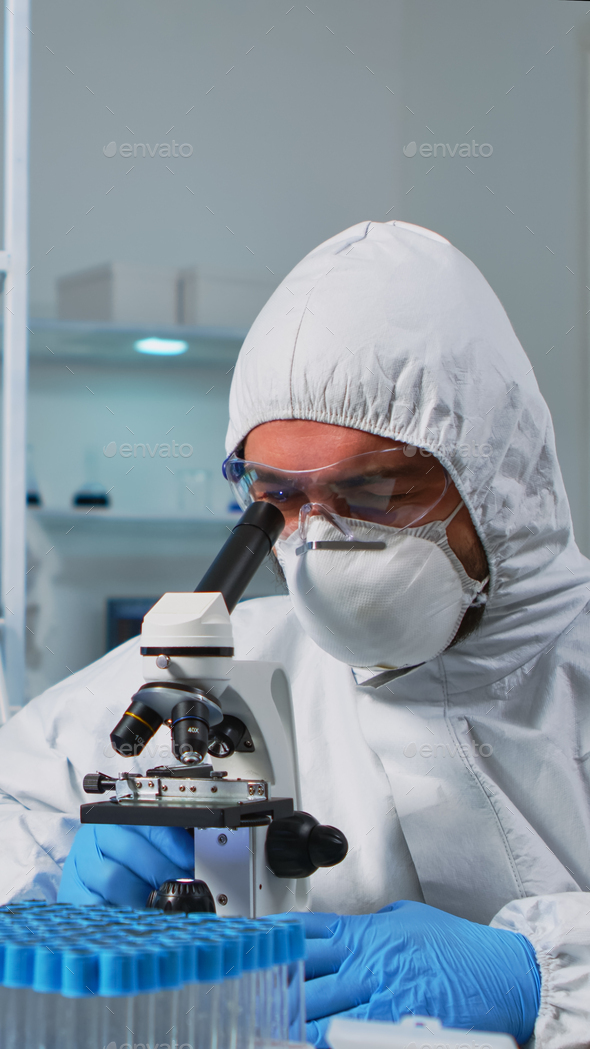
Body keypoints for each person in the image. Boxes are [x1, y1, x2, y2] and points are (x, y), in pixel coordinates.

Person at [0, 220, 589, 1047]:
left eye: (373, 491)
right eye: (280, 496)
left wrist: (547, 977)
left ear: (494, 476)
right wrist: (55, 901)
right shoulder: (223, 657)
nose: (321, 538)